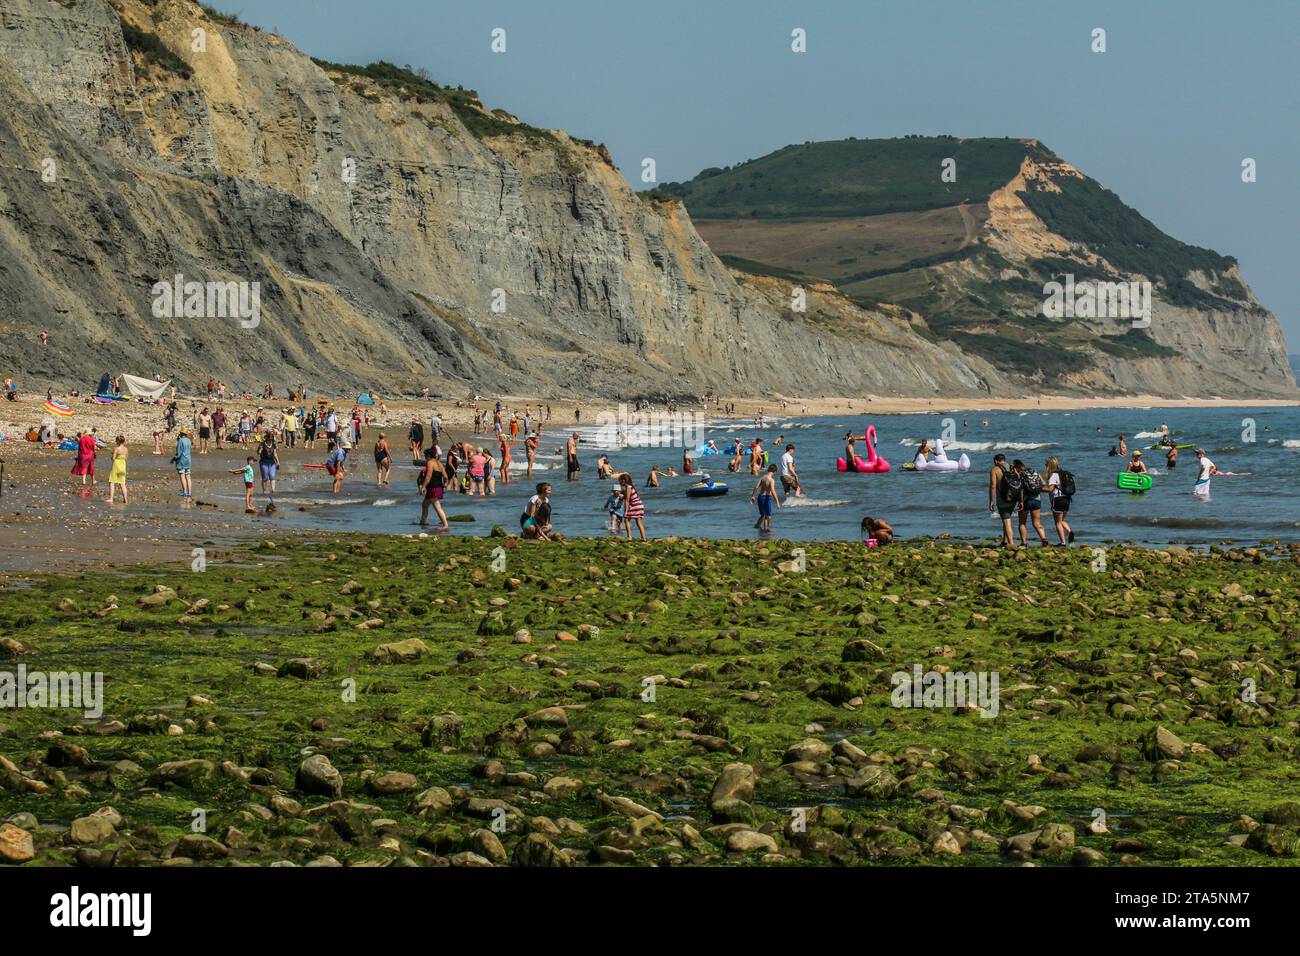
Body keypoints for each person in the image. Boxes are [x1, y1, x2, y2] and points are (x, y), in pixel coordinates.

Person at [1011, 459, 1048, 546]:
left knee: (1022, 523)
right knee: (1037, 523)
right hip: (1037, 499)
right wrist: (1037, 489)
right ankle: (1044, 540)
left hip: (1025, 500)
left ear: (1016, 467)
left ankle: (1024, 543)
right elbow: (1043, 483)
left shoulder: (1020, 474)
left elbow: (1019, 489)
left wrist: (1020, 501)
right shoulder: (1034, 472)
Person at [1044, 456, 1074, 544]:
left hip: (1058, 499)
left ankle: (1063, 542)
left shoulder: (1053, 475)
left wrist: (1038, 489)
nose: (1045, 465)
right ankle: (1070, 531)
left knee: (1057, 522)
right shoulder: (1062, 473)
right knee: (1062, 520)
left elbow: (1050, 489)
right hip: (1067, 499)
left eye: (1046, 464)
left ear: (1049, 465)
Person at [417, 448, 449, 528]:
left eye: (425, 456)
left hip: (433, 488)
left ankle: (445, 525)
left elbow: (428, 476)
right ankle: (423, 521)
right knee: (425, 504)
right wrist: (445, 484)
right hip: (438, 487)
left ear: (428, 455)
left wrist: (423, 486)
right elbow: (445, 477)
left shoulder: (430, 462)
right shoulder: (440, 464)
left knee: (437, 507)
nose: (425, 458)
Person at [988, 453, 1015, 547]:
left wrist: (991, 501)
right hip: (1014, 498)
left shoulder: (995, 469)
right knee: (1006, 519)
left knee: (1006, 521)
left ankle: (1011, 543)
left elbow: (993, 486)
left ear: (996, 461)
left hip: (1003, 498)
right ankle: (1005, 541)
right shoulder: (1013, 467)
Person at [751, 463, 780, 532]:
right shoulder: (771, 480)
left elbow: (756, 487)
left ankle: (756, 526)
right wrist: (777, 502)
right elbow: (773, 491)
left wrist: (753, 496)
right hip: (766, 498)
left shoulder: (763, 477)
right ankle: (766, 529)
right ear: (775, 471)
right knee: (768, 516)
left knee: (763, 515)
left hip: (760, 497)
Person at [619, 473, 646, 540]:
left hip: (635, 505)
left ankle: (629, 537)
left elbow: (627, 500)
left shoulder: (628, 487)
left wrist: (626, 511)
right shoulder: (630, 486)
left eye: (620, 480)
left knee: (626, 519)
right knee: (638, 521)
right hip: (639, 504)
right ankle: (643, 538)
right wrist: (623, 497)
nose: (619, 482)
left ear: (623, 480)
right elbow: (630, 497)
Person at [171, 429, 193, 498]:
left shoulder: (181, 440)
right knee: (188, 477)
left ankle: (185, 492)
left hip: (182, 461)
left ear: (181, 433)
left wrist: (173, 459)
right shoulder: (189, 440)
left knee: (182, 476)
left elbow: (179, 453)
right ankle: (189, 493)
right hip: (188, 460)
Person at [107, 436, 128, 505]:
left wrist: (112, 454)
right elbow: (126, 458)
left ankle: (111, 498)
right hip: (123, 465)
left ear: (118, 441)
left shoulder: (116, 448)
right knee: (122, 483)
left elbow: (113, 458)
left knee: (112, 482)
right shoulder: (126, 449)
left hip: (116, 465)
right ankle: (125, 499)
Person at [258, 434, 279, 502]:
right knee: (265, 477)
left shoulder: (273, 444)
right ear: (266, 438)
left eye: (271, 439)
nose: (270, 440)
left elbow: (275, 453)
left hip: (272, 463)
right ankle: (264, 490)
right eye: (269, 439)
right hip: (264, 462)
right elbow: (258, 453)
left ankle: (273, 490)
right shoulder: (263, 444)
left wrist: (278, 462)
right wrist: (259, 449)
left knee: (272, 476)